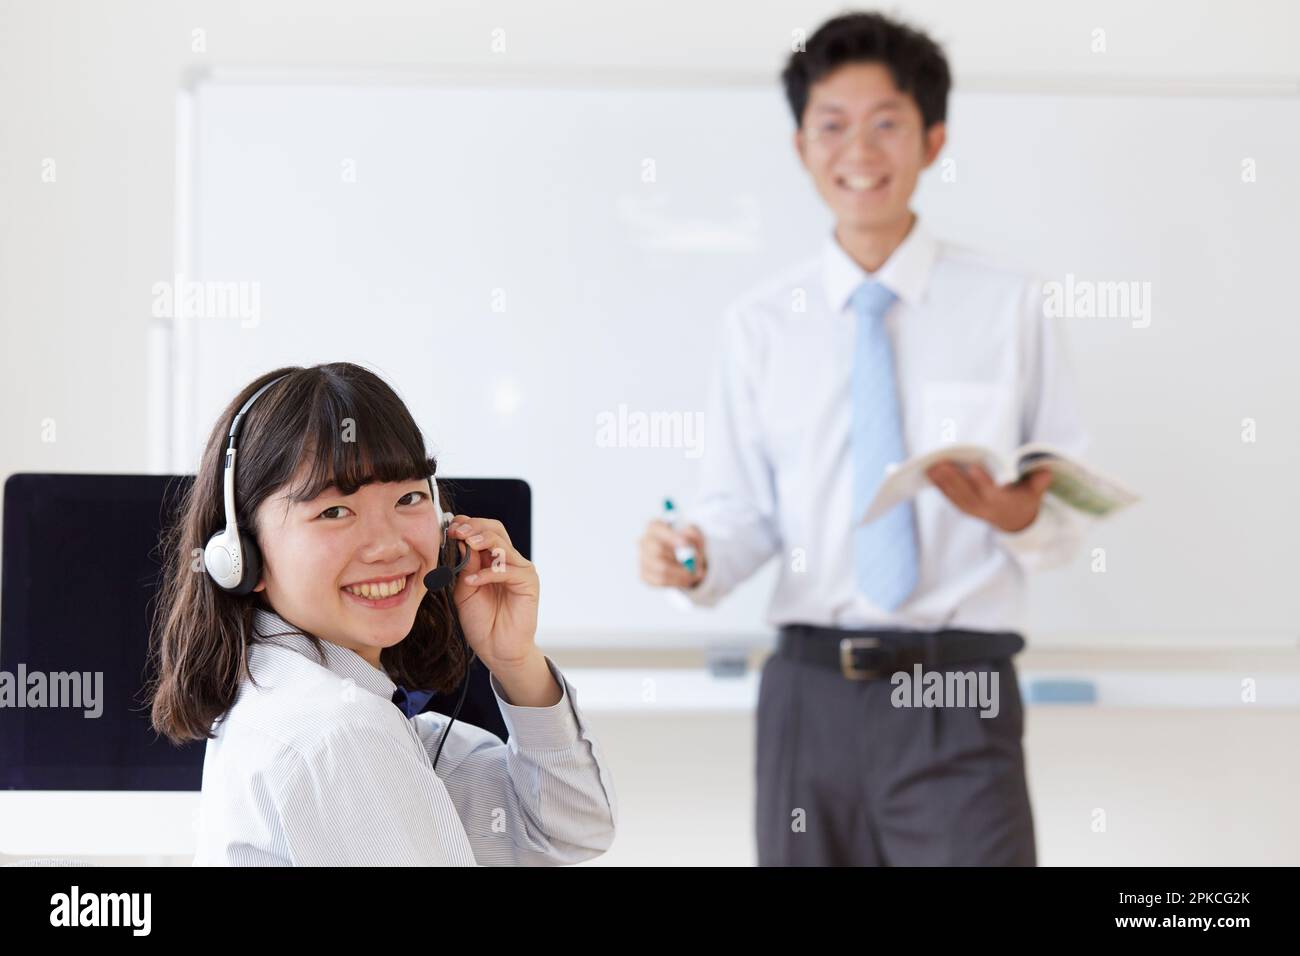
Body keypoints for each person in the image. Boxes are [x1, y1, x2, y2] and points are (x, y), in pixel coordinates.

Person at [639, 11, 1087, 865]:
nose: (860, 151)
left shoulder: (1009, 304)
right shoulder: (762, 323)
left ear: (933, 137)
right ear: (802, 146)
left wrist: (1016, 514)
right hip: (809, 696)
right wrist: (694, 557)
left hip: (959, 686)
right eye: (832, 126)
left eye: (887, 124)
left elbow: (1062, 501)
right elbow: (743, 512)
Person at [149, 362, 616, 865]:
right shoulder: (337, 731)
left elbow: (568, 830)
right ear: (243, 554)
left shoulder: (334, 707)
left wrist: (514, 661)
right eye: (334, 511)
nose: (389, 546)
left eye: (409, 498)